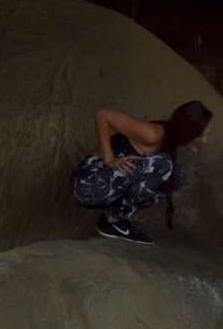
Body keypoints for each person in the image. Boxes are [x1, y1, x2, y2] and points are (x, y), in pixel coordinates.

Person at [70, 101, 213, 245]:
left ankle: (116, 218)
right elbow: (102, 115)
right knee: (165, 163)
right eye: (201, 135)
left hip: (107, 188)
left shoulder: (169, 142)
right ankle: (115, 220)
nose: (205, 140)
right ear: (188, 132)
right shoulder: (153, 133)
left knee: (177, 175)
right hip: (88, 184)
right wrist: (109, 159)